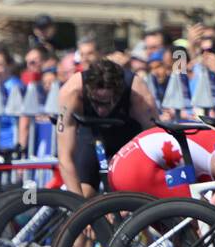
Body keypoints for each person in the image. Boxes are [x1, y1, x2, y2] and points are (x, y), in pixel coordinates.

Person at [55, 58, 159, 197]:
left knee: (124, 198)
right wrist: (77, 207)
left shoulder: (137, 93)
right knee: (84, 194)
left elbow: (154, 144)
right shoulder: (72, 91)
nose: (102, 111)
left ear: (119, 92)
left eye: (107, 103)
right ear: (87, 91)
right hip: (91, 135)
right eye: (96, 102)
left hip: (127, 137)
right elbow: (64, 157)